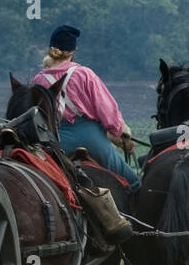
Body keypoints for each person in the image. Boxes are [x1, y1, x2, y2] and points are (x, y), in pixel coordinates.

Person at [32, 25, 140, 190]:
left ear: (51, 50)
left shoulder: (38, 80)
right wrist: (121, 135)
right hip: (90, 137)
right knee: (131, 181)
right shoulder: (84, 74)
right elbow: (108, 111)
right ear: (73, 51)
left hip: (57, 140)